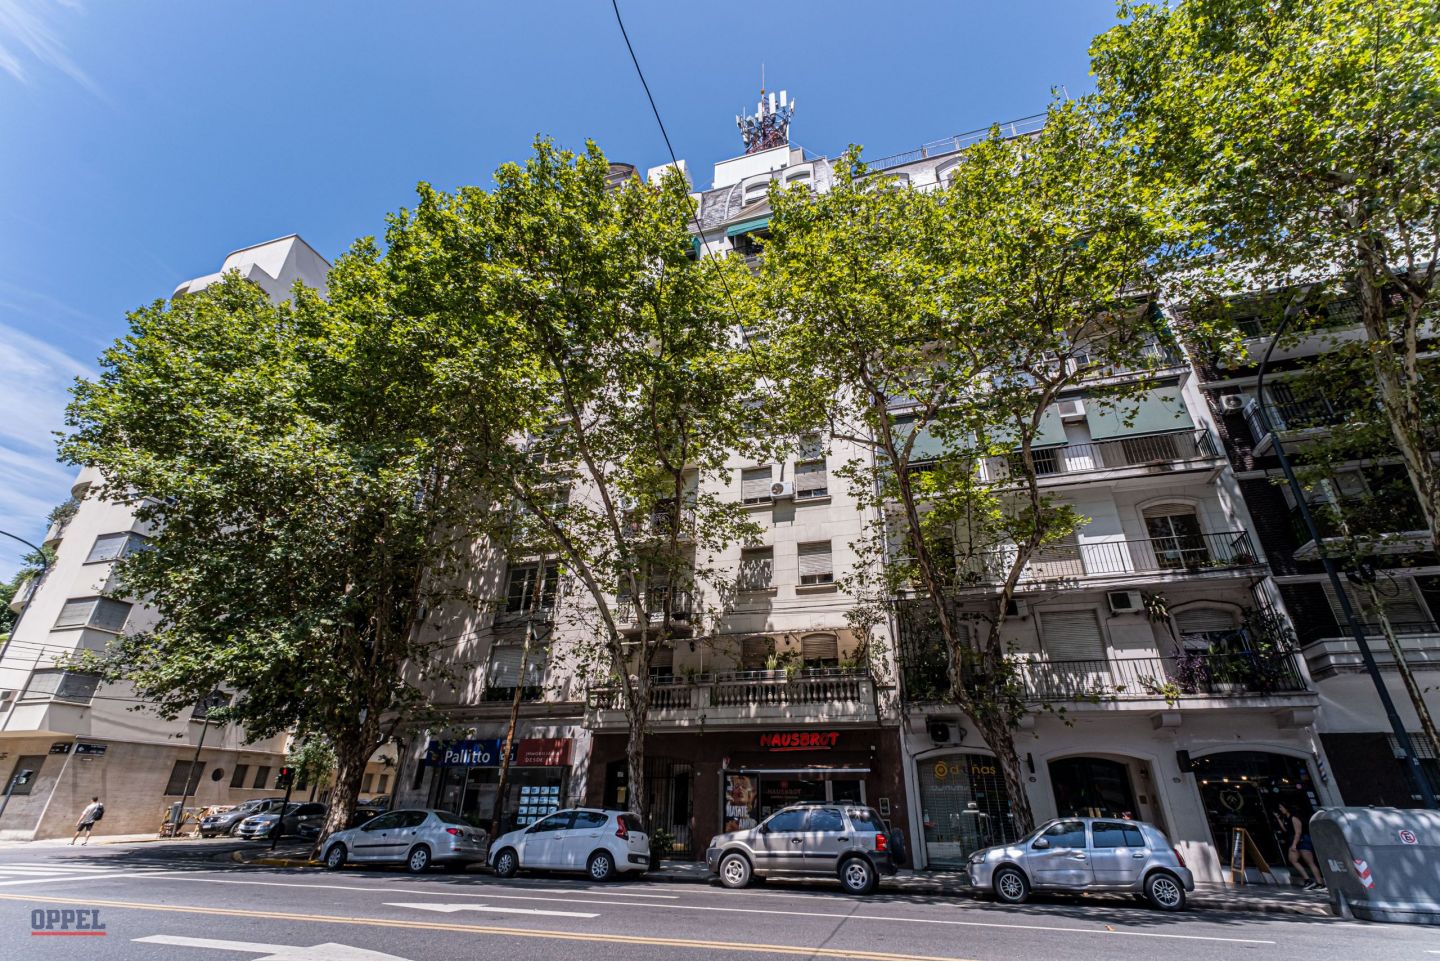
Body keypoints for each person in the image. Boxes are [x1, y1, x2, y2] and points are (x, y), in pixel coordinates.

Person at [1275, 802, 1323, 889]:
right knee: (1292, 859)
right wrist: (1278, 819)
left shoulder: (1294, 817)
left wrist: (1294, 844)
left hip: (1302, 840)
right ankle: (1307, 880)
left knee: (1310, 862)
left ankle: (1320, 883)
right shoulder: (1286, 818)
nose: (1280, 809)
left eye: (1281, 807)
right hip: (1294, 841)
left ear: (1286, 807)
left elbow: (1298, 832)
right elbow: (1286, 830)